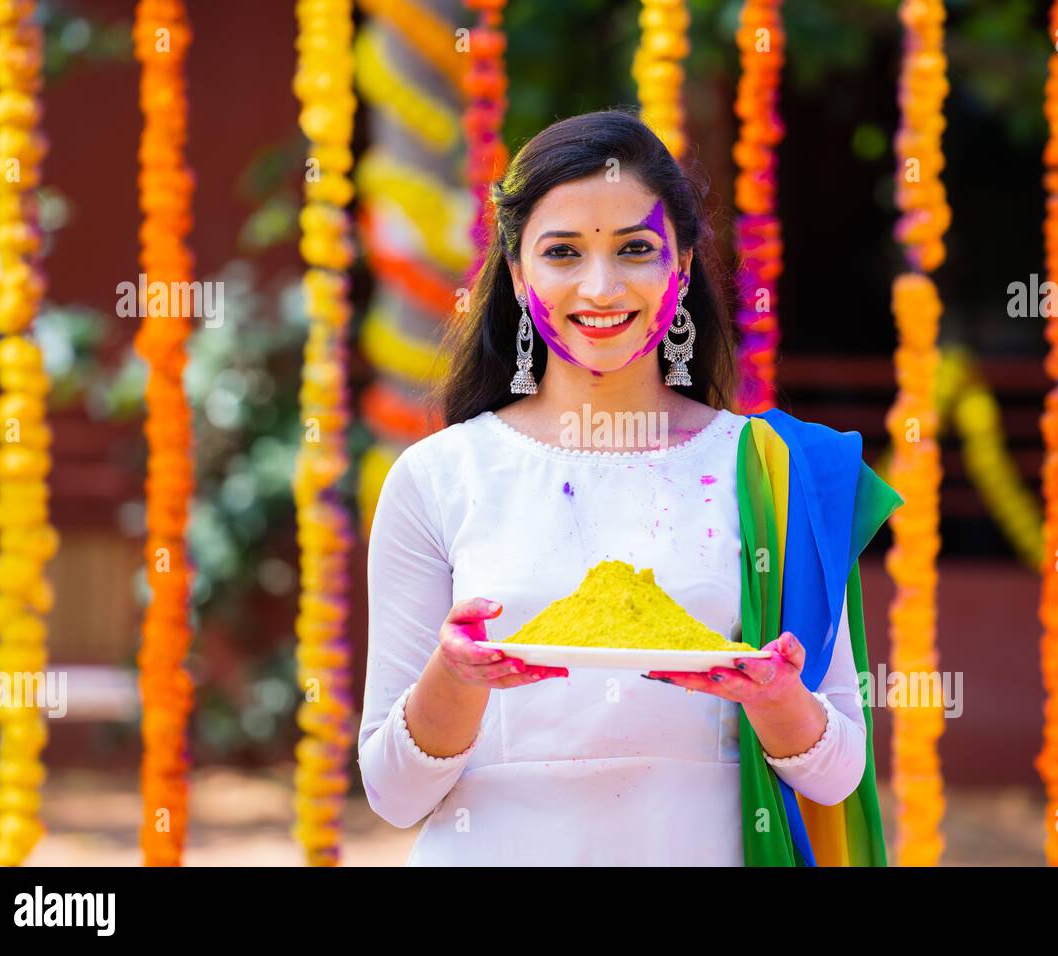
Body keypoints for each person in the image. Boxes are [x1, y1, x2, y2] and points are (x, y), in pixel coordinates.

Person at [359, 109, 882, 865]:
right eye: (562, 253)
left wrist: (773, 694)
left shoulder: (773, 472)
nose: (600, 287)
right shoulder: (440, 477)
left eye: (635, 249)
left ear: (683, 265)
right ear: (515, 272)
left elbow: (838, 776)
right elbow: (394, 797)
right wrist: (457, 677)